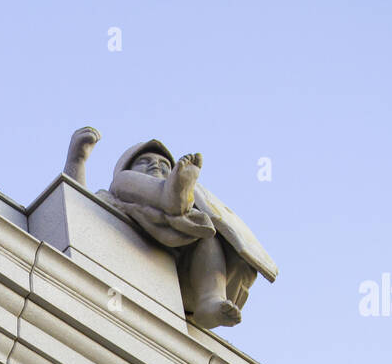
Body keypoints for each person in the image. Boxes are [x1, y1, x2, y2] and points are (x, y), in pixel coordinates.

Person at [63, 126, 277, 329]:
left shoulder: (193, 224)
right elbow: (77, 208)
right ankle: (173, 197)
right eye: (144, 161)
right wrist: (77, 160)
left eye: (165, 165)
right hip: (128, 265)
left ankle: (211, 299)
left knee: (205, 233)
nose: (155, 165)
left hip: (186, 283)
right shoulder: (114, 196)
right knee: (124, 182)